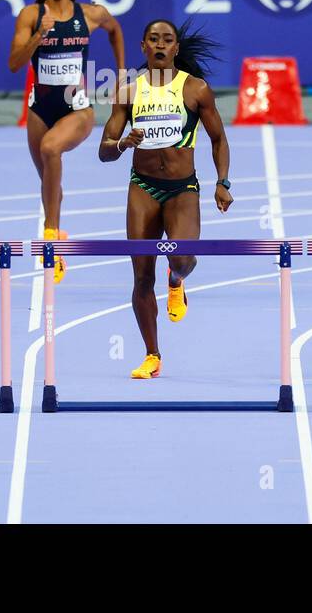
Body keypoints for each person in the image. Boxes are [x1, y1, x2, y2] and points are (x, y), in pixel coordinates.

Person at [98, 20, 232, 379]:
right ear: (143, 46)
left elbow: (218, 139)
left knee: (184, 257)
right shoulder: (128, 92)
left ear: (175, 48)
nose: (160, 45)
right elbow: (104, 151)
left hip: (182, 189)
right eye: (153, 39)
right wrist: (124, 143)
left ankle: (177, 280)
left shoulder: (196, 89)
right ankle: (152, 355)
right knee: (142, 277)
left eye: (167, 40)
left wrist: (223, 182)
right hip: (142, 187)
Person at [7, 0, 124, 284]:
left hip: (78, 109)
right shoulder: (30, 15)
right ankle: (57, 227)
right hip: (39, 109)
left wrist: (120, 73)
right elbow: (14, 63)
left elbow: (114, 29)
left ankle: (52, 238)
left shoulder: (90, 15)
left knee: (51, 149)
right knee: (50, 185)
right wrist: (38, 37)